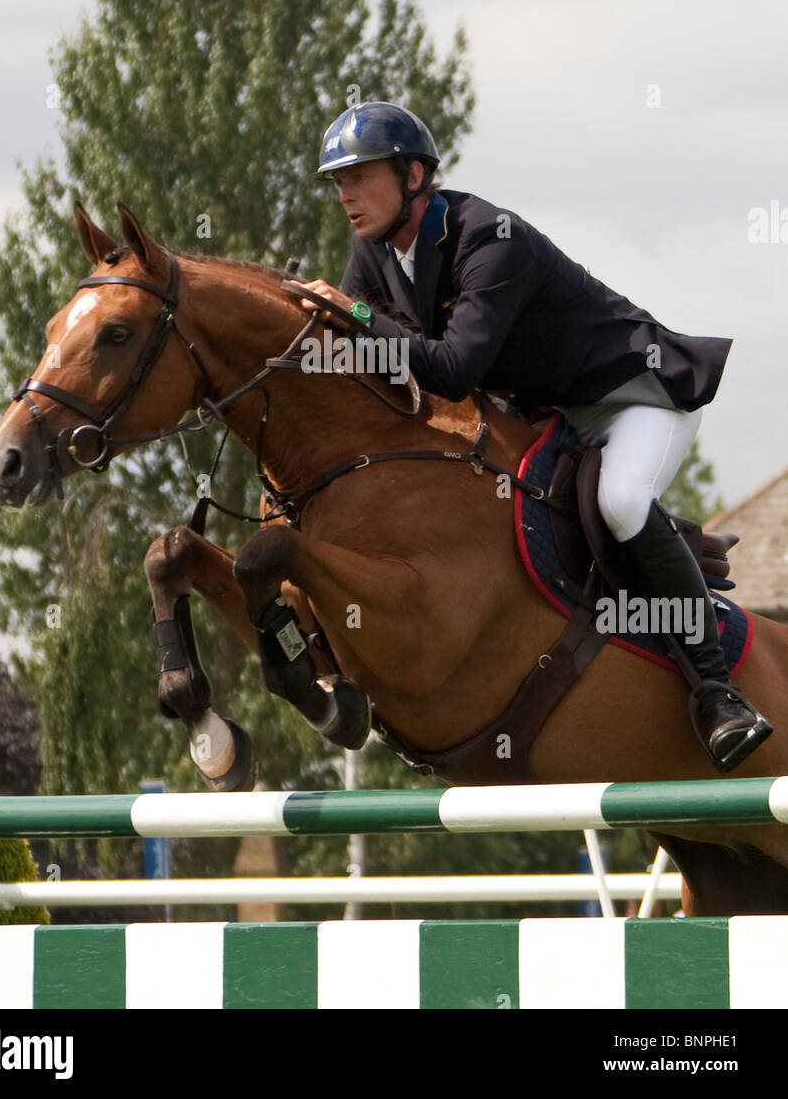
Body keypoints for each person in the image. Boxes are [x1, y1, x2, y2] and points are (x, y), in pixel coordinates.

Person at [299, 100, 772, 772]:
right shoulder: (374, 254)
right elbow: (371, 362)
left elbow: (455, 369)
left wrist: (350, 312)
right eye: (338, 182)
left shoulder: (488, 237)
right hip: (550, 415)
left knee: (622, 503)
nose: (346, 195)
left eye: (361, 177)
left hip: (633, 398)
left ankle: (718, 692)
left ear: (412, 176)